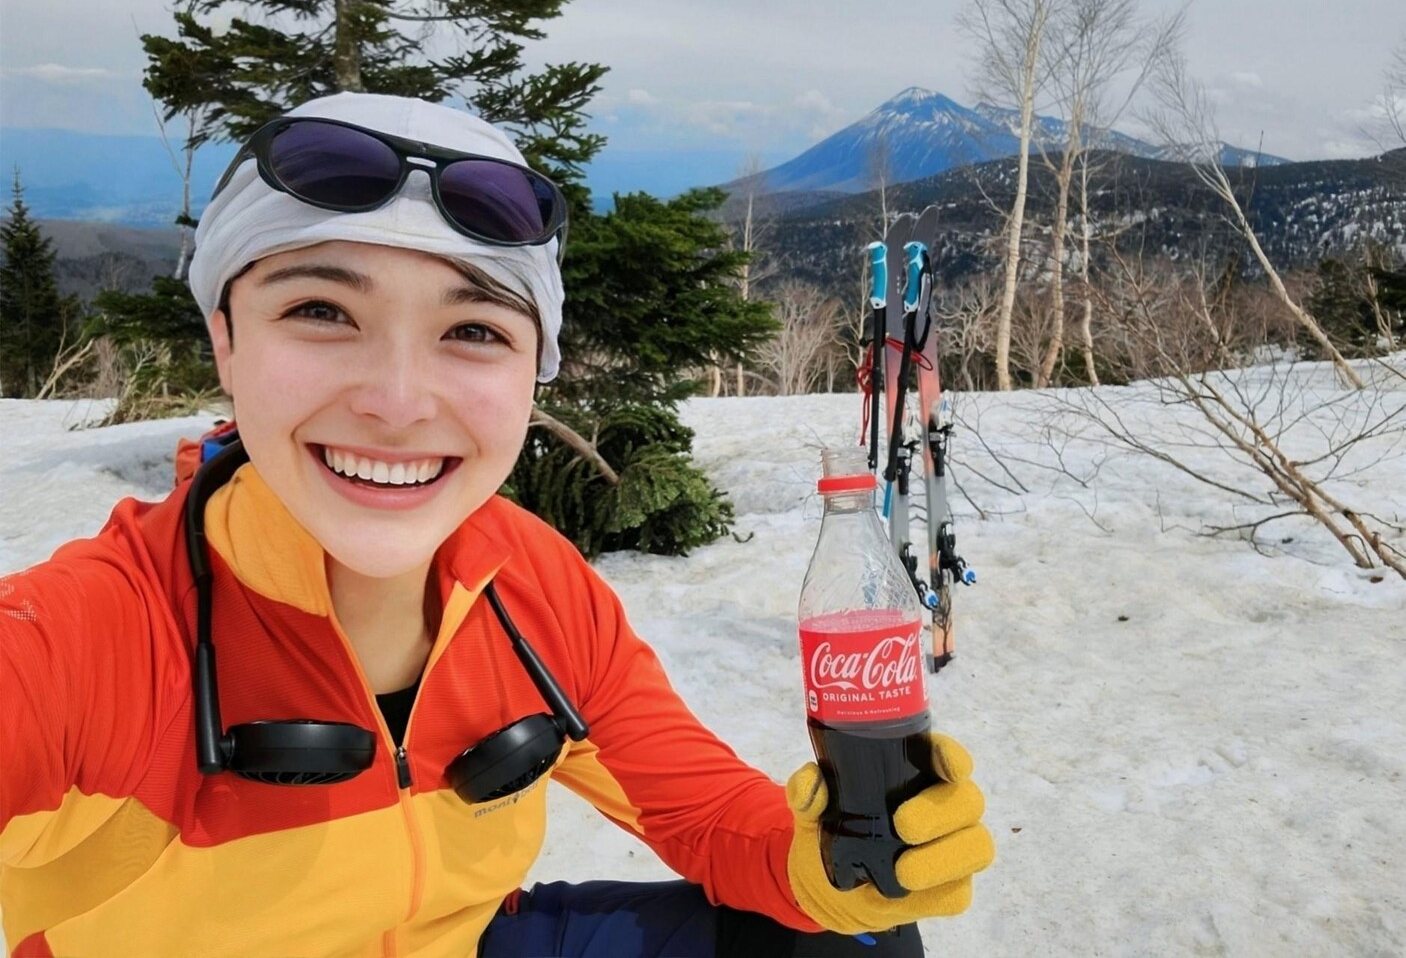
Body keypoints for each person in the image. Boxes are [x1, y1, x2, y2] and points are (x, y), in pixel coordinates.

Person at [0, 92, 994, 958]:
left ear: (532, 372)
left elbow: (699, 809)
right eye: (320, 310)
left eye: (473, 330)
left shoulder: (530, 587)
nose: (397, 401)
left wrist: (823, 862)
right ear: (224, 337)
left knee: (853, 936)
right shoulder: (94, 638)